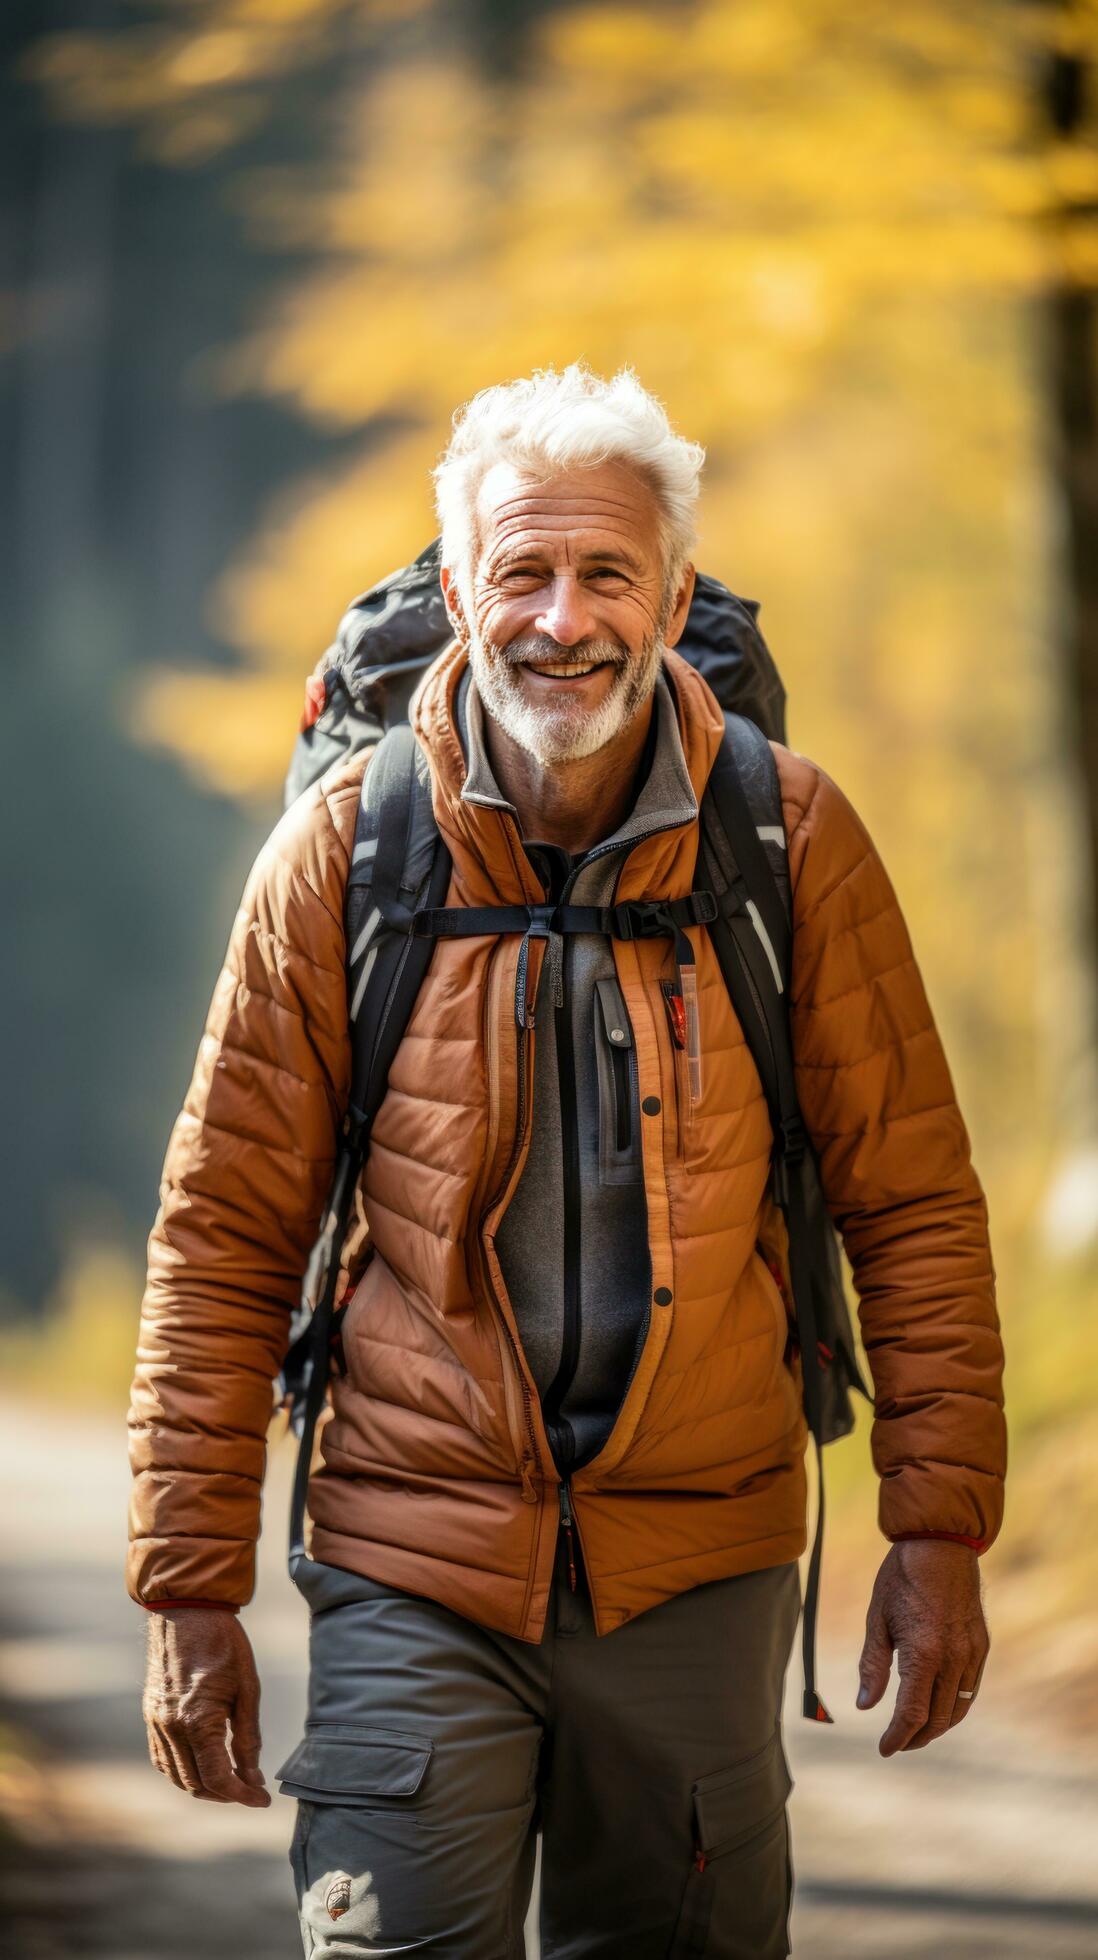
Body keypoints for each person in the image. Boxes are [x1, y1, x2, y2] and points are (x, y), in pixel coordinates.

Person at [128, 362, 1006, 1958]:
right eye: (520, 572)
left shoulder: (787, 839)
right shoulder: (343, 854)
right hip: (411, 1550)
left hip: (703, 1551)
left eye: (605, 572)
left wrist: (935, 1531)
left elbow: (912, 1202)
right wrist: (187, 1589)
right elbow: (226, 1230)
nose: (561, 618)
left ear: (671, 594)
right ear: (459, 586)